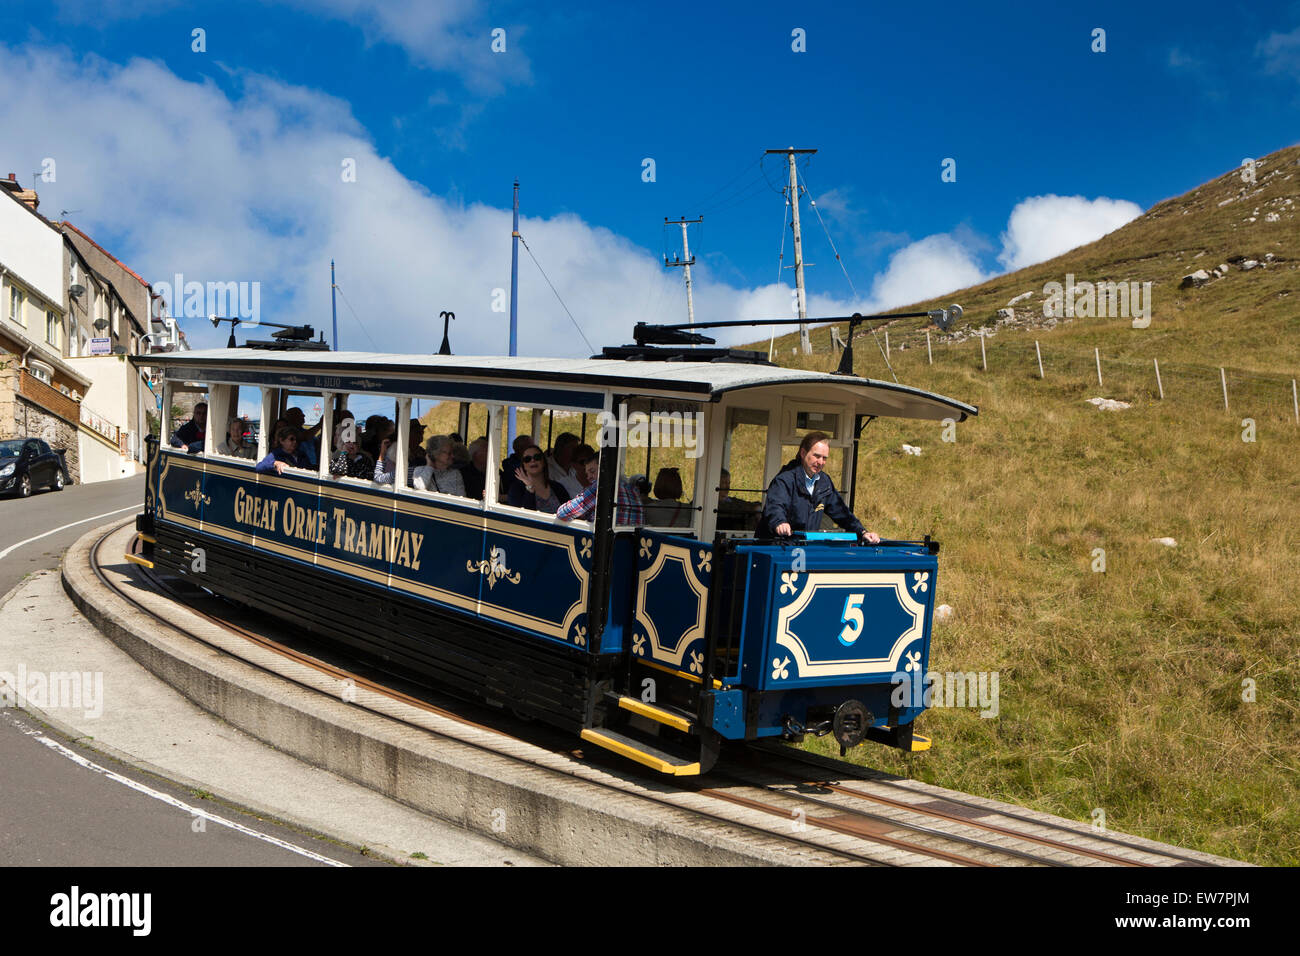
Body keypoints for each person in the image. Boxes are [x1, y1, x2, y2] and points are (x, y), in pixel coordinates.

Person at [760, 431, 880, 543]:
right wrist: (780, 523)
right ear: (803, 453)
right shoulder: (784, 480)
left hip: (804, 549)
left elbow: (841, 513)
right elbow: (775, 507)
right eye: (817, 456)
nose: (821, 462)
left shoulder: (824, 482)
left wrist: (862, 532)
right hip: (776, 548)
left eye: (824, 458)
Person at [556, 449, 644, 525]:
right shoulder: (632, 489)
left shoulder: (600, 487)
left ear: (604, 469)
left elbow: (563, 513)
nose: (589, 477)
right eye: (587, 474)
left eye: (592, 471)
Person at [507, 444, 571, 514]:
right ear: (523, 465)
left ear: (543, 462)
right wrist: (530, 489)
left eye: (537, 457)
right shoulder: (516, 489)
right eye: (527, 459)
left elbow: (570, 512)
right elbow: (523, 516)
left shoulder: (558, 487)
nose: (533, 461)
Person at [547, 432, 586, 498]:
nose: (576, 452)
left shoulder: (575, 468)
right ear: (560, 448)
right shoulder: (546, 468)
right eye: (572, 448)